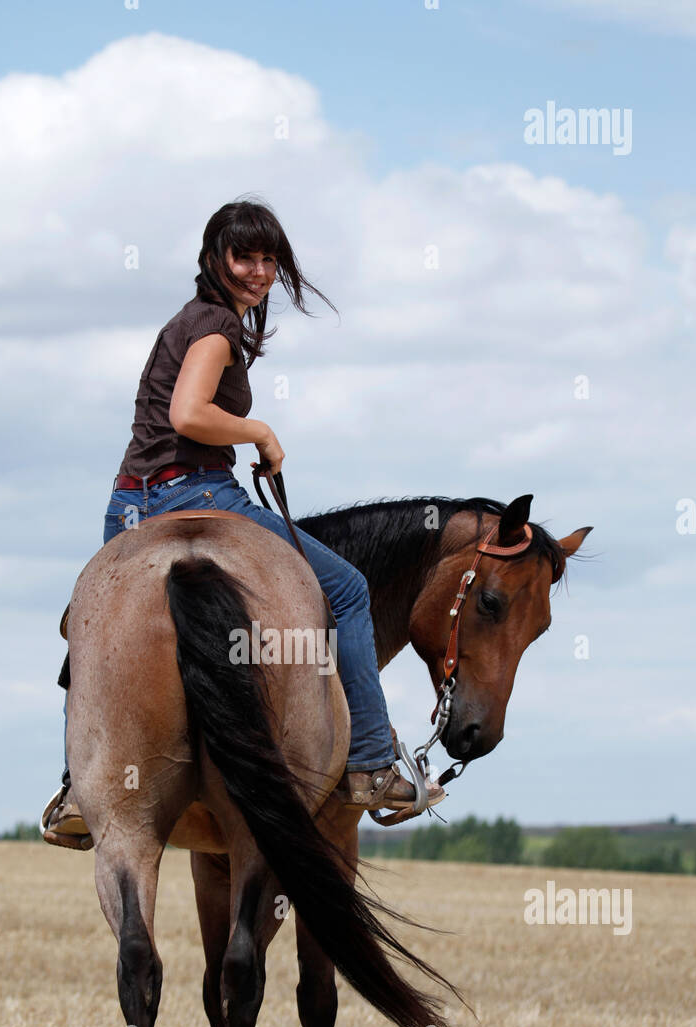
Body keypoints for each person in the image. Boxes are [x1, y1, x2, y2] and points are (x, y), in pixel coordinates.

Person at [41, 199, 443, 849]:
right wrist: (260, 433)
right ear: (214, 259)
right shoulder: (215, 327)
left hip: (132, 504)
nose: (257, 271)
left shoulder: (197, 320)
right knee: (344, 589)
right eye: (243, 257)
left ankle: (79, 789)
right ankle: (370, 764)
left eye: (267, 259)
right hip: (199, 493)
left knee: (91, 625)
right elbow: (189, 414)